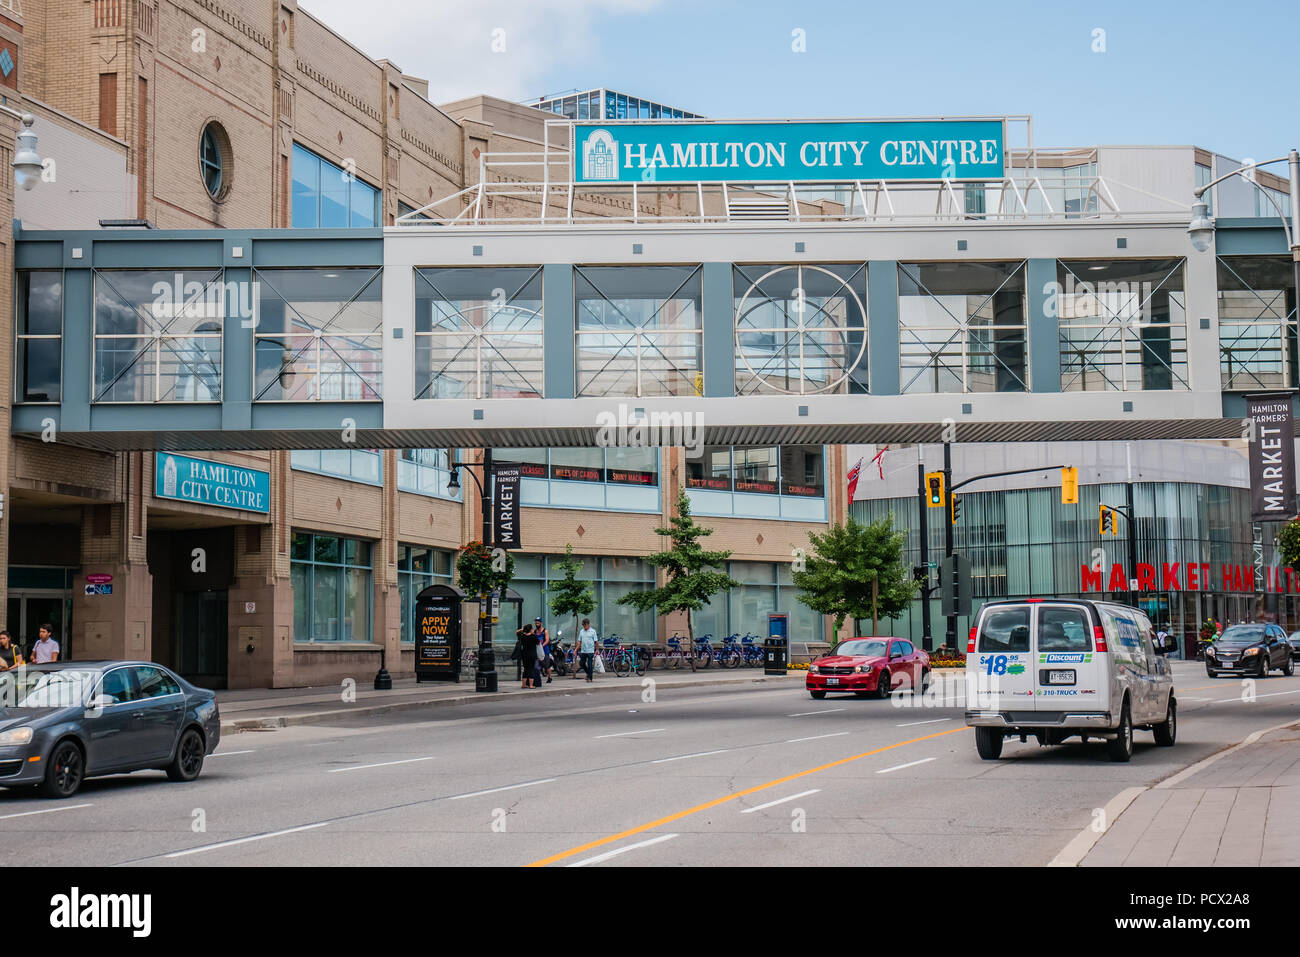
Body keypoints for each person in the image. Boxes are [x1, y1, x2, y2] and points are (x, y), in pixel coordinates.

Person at [576, 618, 598, 683]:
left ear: (588, 624)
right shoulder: (581, 631)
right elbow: (579, 642)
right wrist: (576, 650)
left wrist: (597, 650)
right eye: (583, 625)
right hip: (583, 651)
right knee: (582, 663)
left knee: (589, 664)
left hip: (590, 651)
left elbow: (596, 642)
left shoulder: (593, 631)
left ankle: (590, 678)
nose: (584, 626)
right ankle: (588, 673)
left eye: (585, 625)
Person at [517, 623, 537, 689]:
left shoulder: (522, 636)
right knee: (531, 669)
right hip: (532, 655)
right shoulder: (533, 636)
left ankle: (523, 685)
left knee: (525, 669)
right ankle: (531, 685)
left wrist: (523, 629)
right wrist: (532, 633)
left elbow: (517, 632)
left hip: (524, 655)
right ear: (531, 629)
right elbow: (538, 642)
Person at [534, 617, 553, 684]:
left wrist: (541, 646)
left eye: (538, 623)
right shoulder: (535, 632)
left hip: (545, 651)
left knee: (547, 665)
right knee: (537, 665)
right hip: (537, 651)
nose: (537, 624)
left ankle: (549, 677)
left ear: (541, 623)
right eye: (536, 623)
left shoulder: (545, 631)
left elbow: (547, 640)